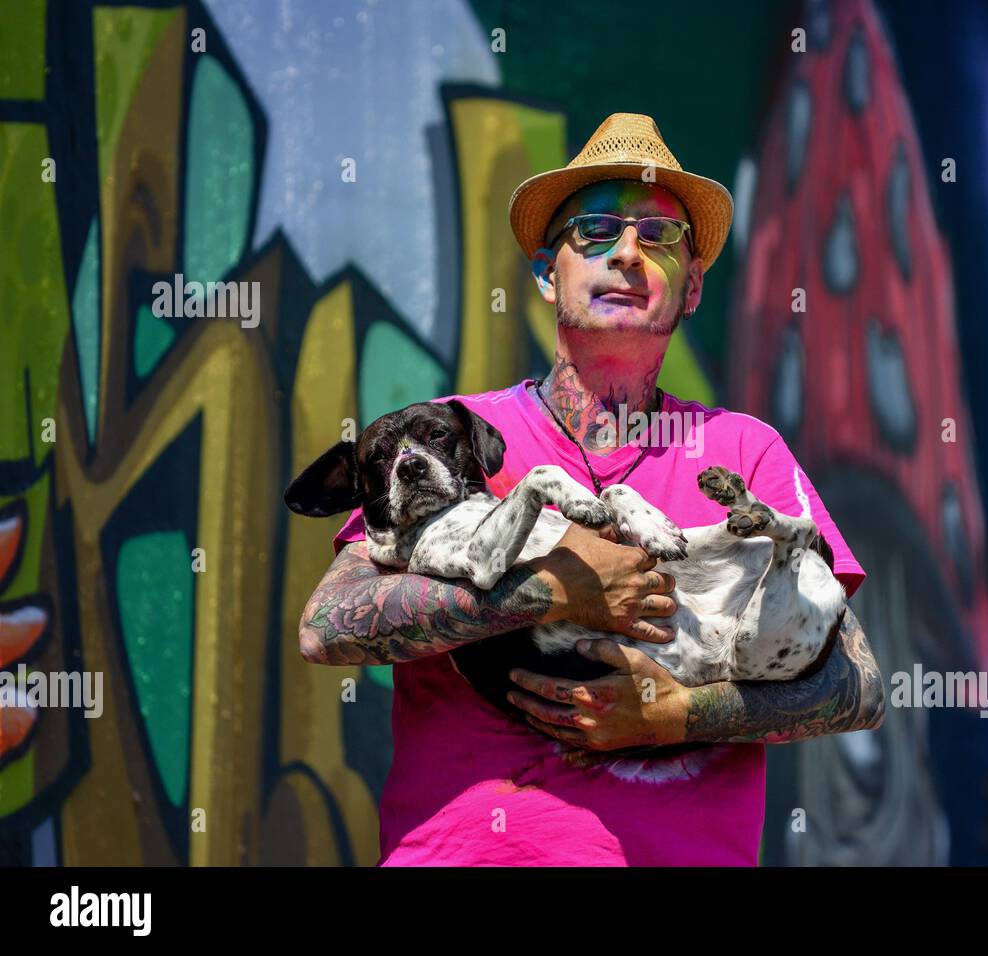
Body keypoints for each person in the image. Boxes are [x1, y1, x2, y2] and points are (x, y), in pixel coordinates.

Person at [296, 112, 884, 866]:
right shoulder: (451, 443)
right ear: (548, 274)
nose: (629, 253)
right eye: (596, 230)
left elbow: (858, 686)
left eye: (660, 237)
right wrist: (551, 591)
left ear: (694, 285)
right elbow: (329, 625)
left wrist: (679, 716)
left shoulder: (746, 451)